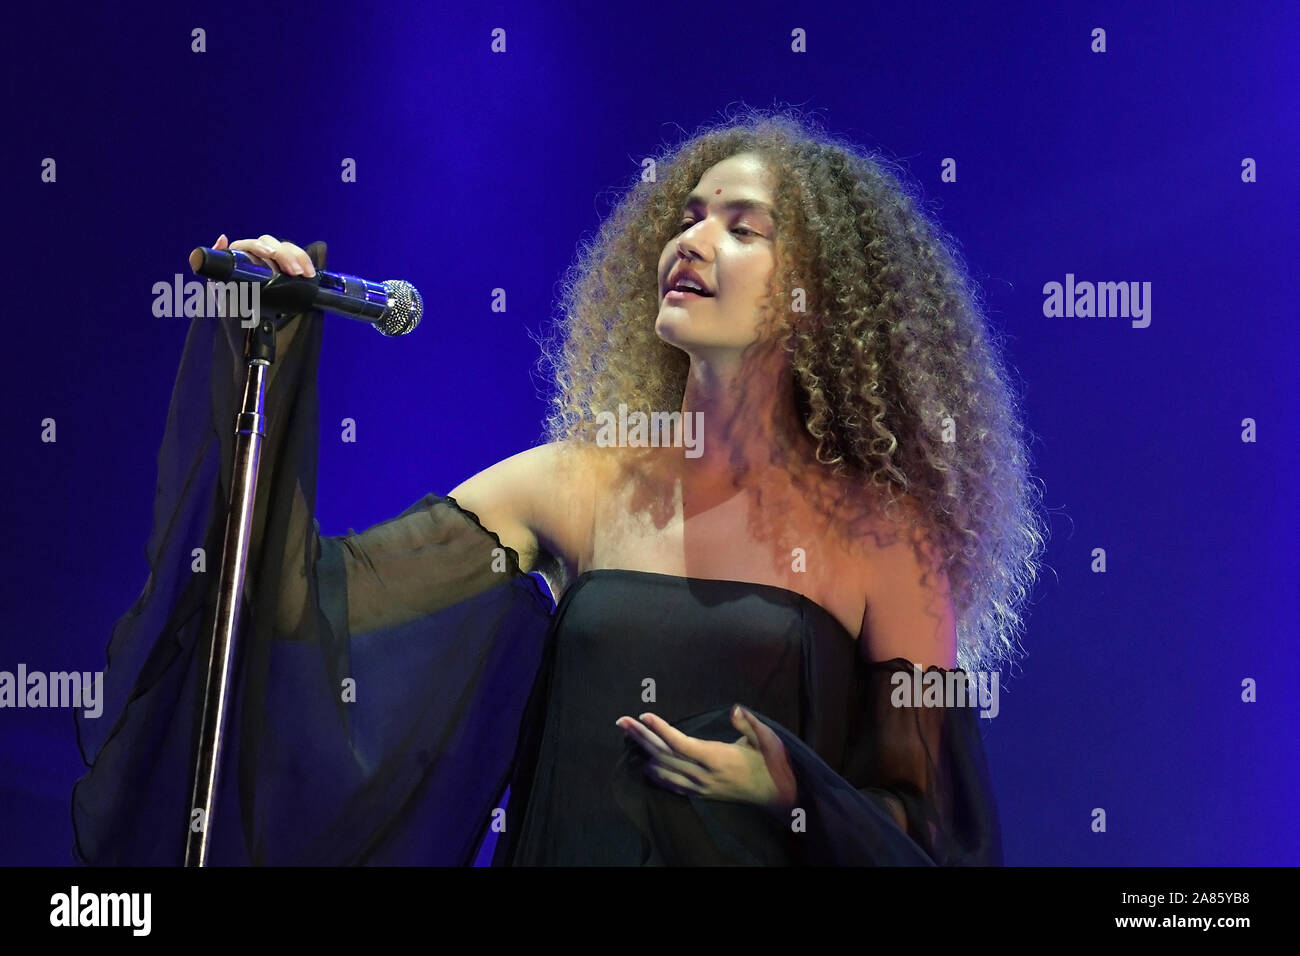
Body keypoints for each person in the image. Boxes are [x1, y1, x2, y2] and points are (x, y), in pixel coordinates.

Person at [72, 108, 1046, 866]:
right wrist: (272, 362)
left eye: (741, 227)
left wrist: (792, 786)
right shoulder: (572, 484)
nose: (690, 240)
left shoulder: (888, 540)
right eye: (687, 216)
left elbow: (934, 831)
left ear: (818, 293)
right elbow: (297, 607)